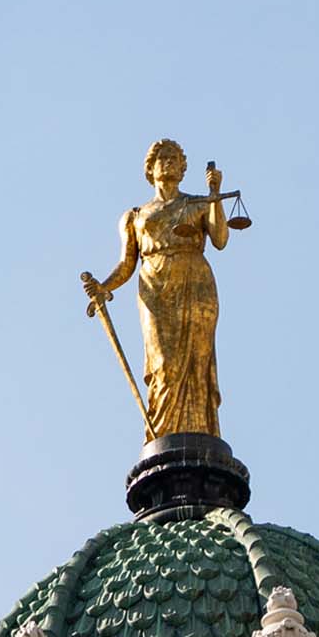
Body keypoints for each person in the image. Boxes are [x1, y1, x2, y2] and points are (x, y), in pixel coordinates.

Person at [83, 139, 231, 440]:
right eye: (161, 157)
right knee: (162, 362)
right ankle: (163, 434)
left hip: (195, 280)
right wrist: (104, 287)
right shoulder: (135, 216)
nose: (168, 162)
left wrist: (215, 195)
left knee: (197, 359)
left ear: (183, 168)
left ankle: (200, 431)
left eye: (174, 158)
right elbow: (127, 263)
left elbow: (219, 239)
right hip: (155, 285)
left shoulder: (198, 204)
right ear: (150, 169)